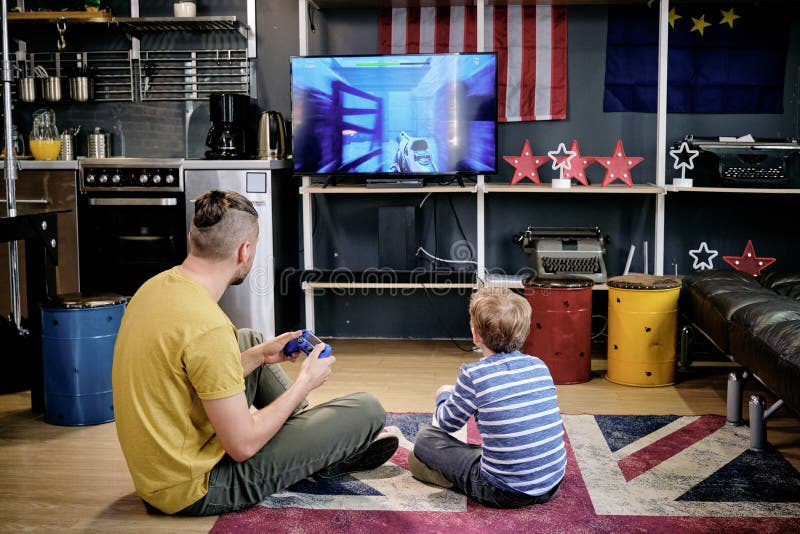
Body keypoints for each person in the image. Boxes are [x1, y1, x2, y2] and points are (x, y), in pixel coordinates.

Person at [112, 190, 398, 516]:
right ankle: (321, 451)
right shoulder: (209, 329)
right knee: (367, 408)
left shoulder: (153, 287)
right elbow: (242, 445)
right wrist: (304, 382)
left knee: (248, 341)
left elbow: (188, 373)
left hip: (160, 474)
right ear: (244, 251)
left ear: (194, 238)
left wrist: (261, 355)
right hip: (194, 487)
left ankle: (313, 446)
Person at [408, 287, 566, 508]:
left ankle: (450, 478)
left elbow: (446, 423)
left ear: (475, 334)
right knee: (494, 446)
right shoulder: (539, 365)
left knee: (425, 439)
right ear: (524, 331)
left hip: (503, 491)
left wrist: (443, 394)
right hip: (552, 482)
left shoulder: (474, 375)